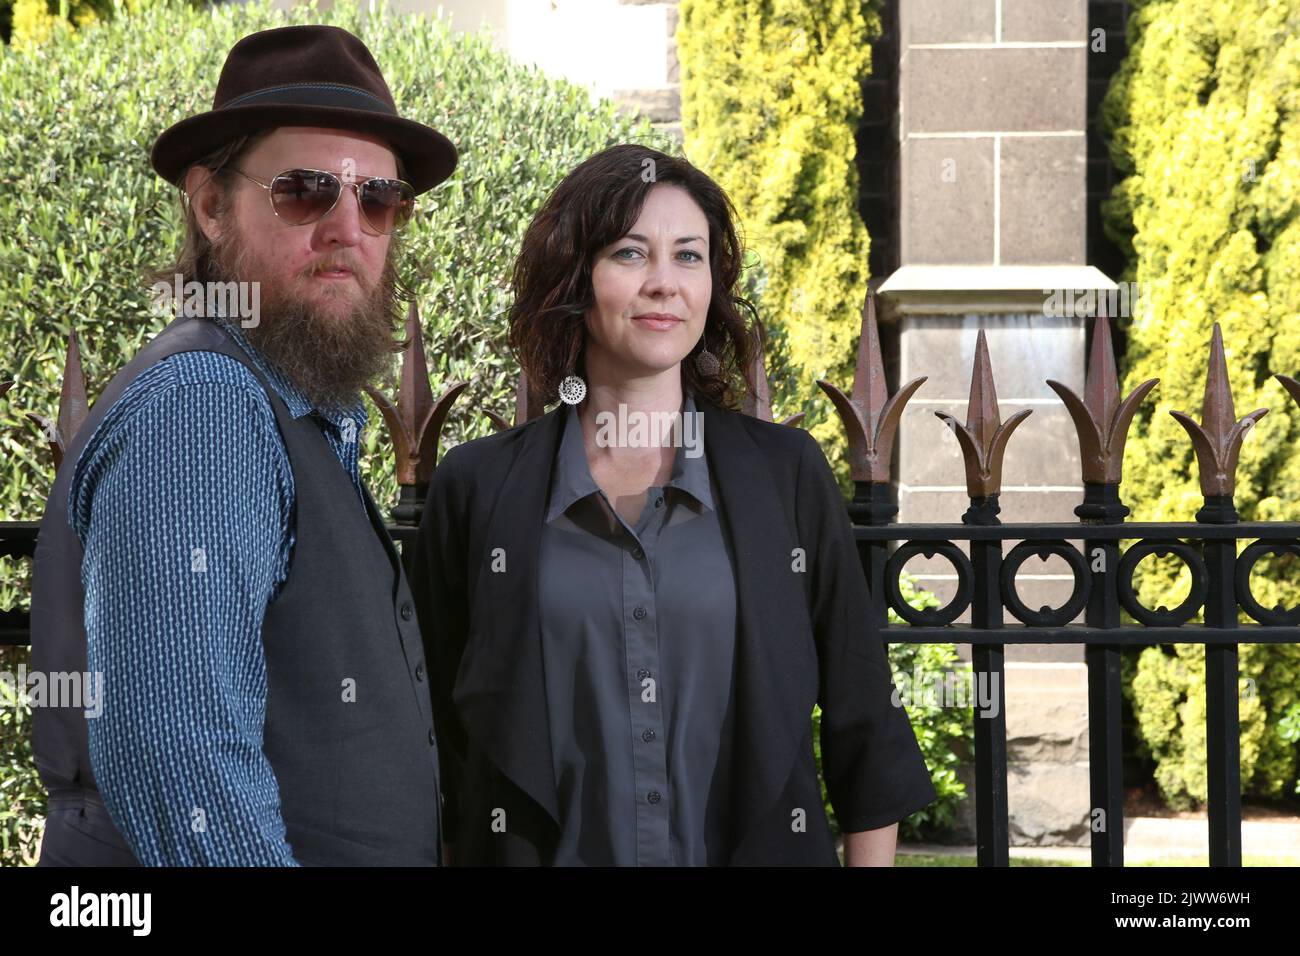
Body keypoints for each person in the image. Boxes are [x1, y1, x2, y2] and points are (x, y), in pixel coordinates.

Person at [411, 144, 936, 866]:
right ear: (576, 278)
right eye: (630, 254)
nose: (664, 284)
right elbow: (437, 738)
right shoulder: (478, 489)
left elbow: (863, 721)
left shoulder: (785, 476)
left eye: (688, 257)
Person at [29, 24, 458, 866]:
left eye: (379, 198)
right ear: (211, 203)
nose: (349, 226)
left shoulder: (282, 403)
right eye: (304, 191)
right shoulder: (204, 405)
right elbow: (181, 764)